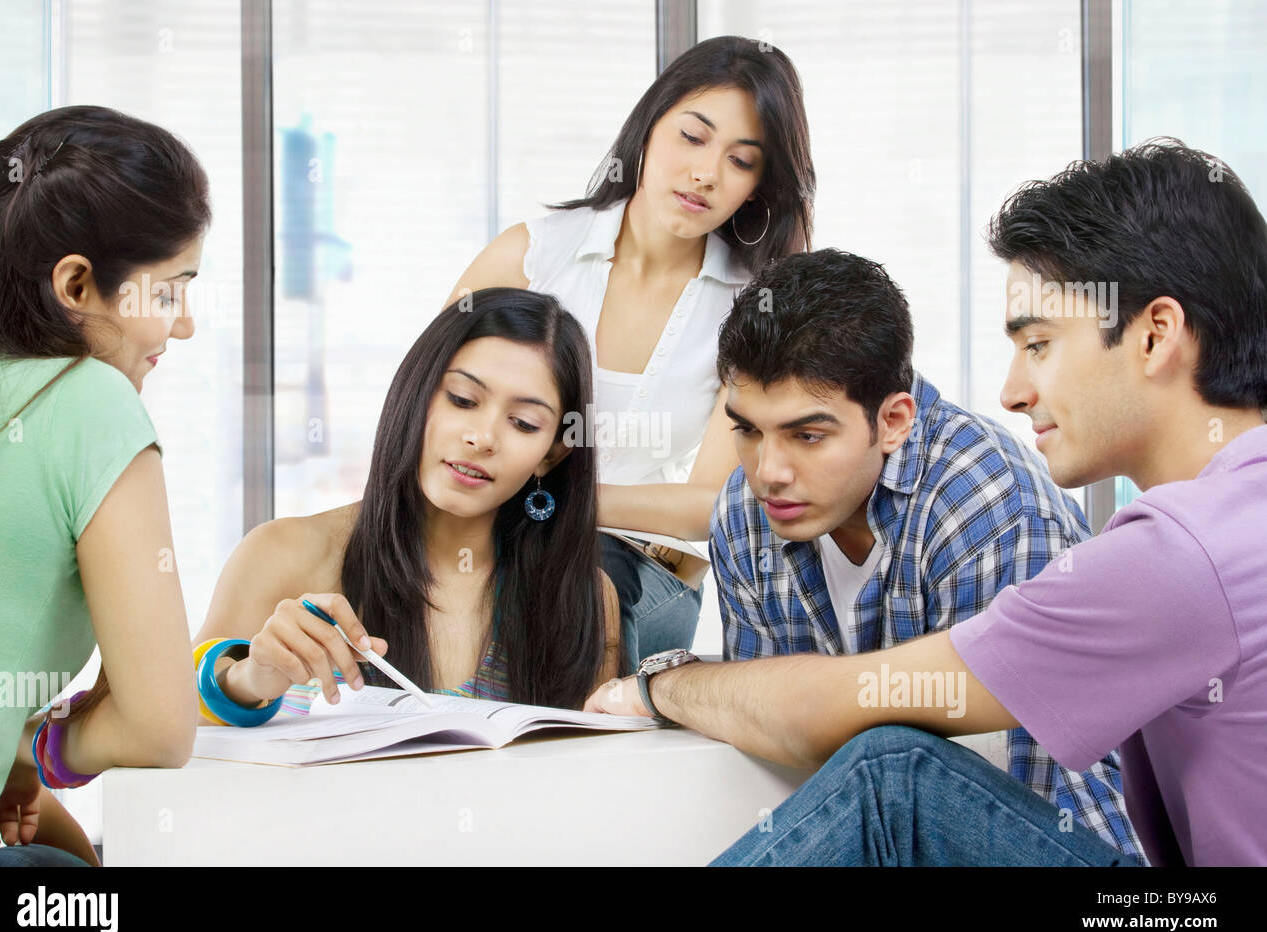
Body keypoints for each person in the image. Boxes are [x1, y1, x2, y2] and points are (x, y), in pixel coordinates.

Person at [588, 140, 1267, 867]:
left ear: (1155, 334)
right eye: (748, 431)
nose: (1013, 392)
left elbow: (844, 713)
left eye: (1039, 344)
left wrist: (664, 682)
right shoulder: (1230, 520)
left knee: (894, 776)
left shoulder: (1177, 556)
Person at [447, 35, 816, 674]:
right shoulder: (529, 258)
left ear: (759, 187)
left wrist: (560, 500)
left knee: (561, 599)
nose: (705, 173)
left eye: (741, 160)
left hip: (645, 565)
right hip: (487, 541)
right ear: (648, 129)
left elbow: (713, 506)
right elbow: (429, 415)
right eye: (692, 137)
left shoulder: (756, 308)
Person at [0, 106, 208, 866]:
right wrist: (44, 747)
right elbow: (160, 727)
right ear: (75, 284)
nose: (185, 324)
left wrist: (7, 759)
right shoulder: (86, 401)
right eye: (170, 291)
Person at [195, 288, 619, 718]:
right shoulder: (281, 553)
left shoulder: (585, 597)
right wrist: (249, 679)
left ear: (551, 453)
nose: (482, 437)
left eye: (524, 424)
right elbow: (176, 722)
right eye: (462, 399)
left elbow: (587, 768)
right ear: (416, 395)